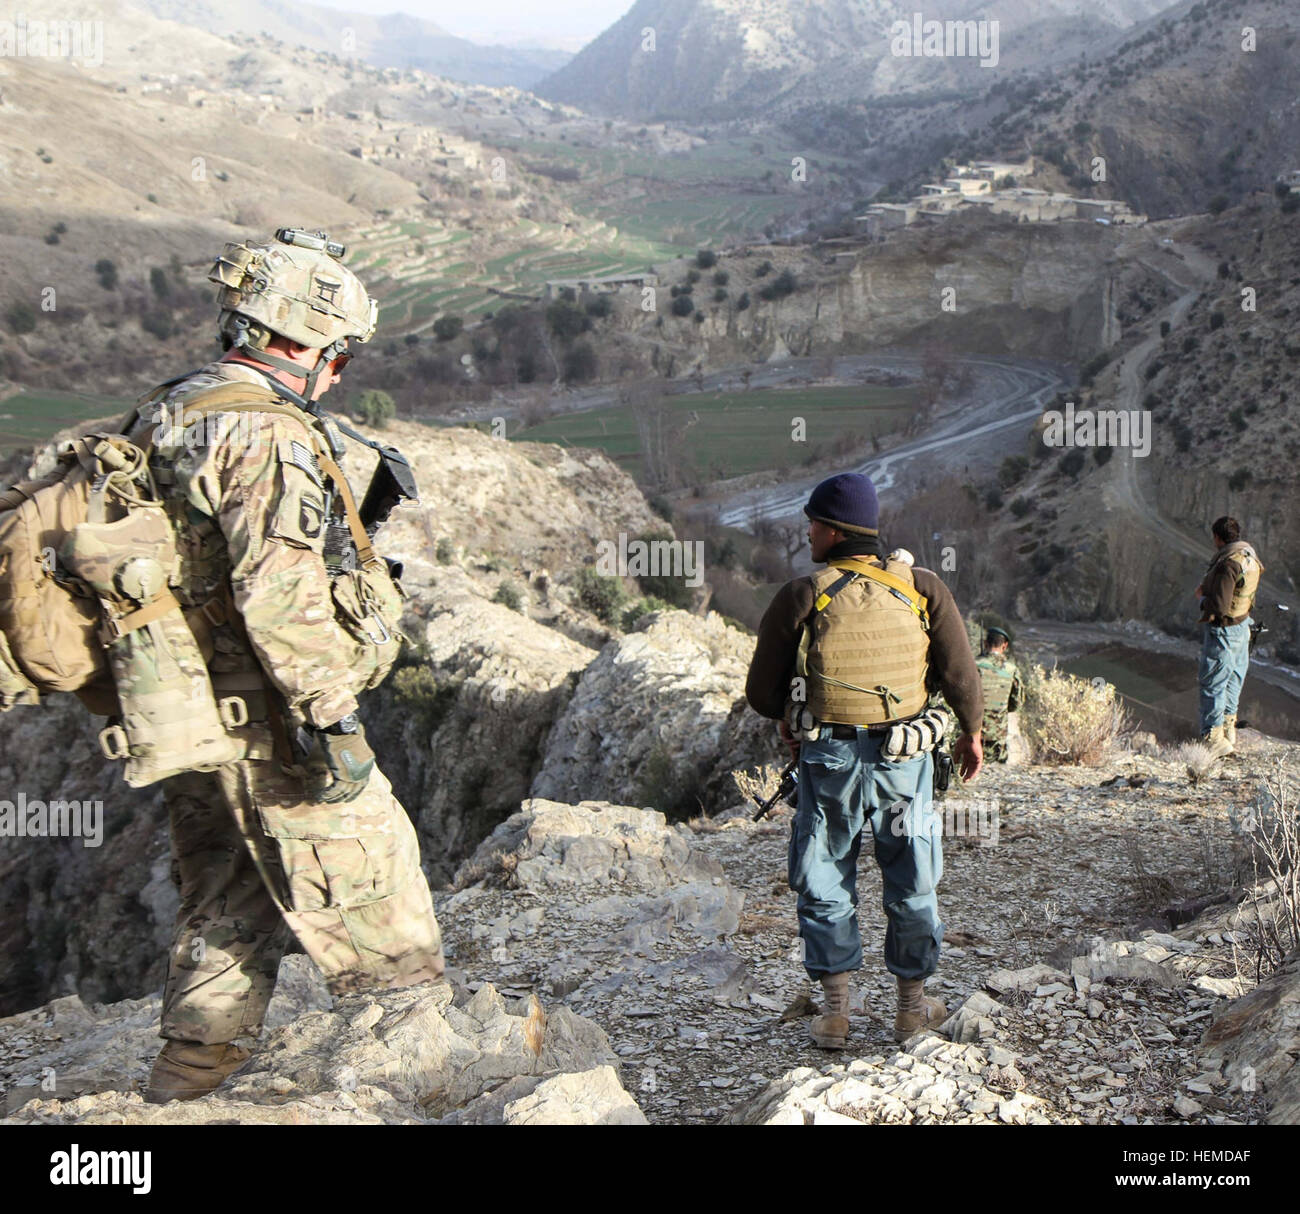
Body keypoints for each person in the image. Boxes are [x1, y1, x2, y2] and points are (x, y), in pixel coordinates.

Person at [131, 229, 445, 1102]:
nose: (337, 376)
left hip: (187, 713)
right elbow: (279, 595)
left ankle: (187, 1077)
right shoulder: (263, 432)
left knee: (223, 897)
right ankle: (417, 1074)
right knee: (382, 898)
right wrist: (335, 722)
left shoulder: (169, 408)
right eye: (339, 356)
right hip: (271, 718)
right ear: (308, 344)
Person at [745, 472, 983, 1050]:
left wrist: (789, 712)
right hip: (907, 758)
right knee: (913, 878)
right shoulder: (923, 587)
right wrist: (971, 733)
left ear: (833, 530)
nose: (806, 534)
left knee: (825, 880)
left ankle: (834, 1015)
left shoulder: (804, 593)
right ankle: (909, 1010)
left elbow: (760, 692)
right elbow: (960, 676)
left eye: (812, 524)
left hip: (830, 760)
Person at [1194, 516, 1263, 760]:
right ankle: (1227, 729)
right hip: (1242, 626)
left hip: (1223, 630)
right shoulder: (1248, 555)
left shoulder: (1227, 564)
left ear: (1217, 537)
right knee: (1233, 678)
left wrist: (1202, 598)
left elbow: (1220, 607)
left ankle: (1214, 740)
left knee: (1213, 682)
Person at [976, 626, 1023, 764]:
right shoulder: (1011, 669)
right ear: (1005, 646)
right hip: (998, 733)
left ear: (985, 643)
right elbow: (1016, 704)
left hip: (972, 730)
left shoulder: (975, 665)